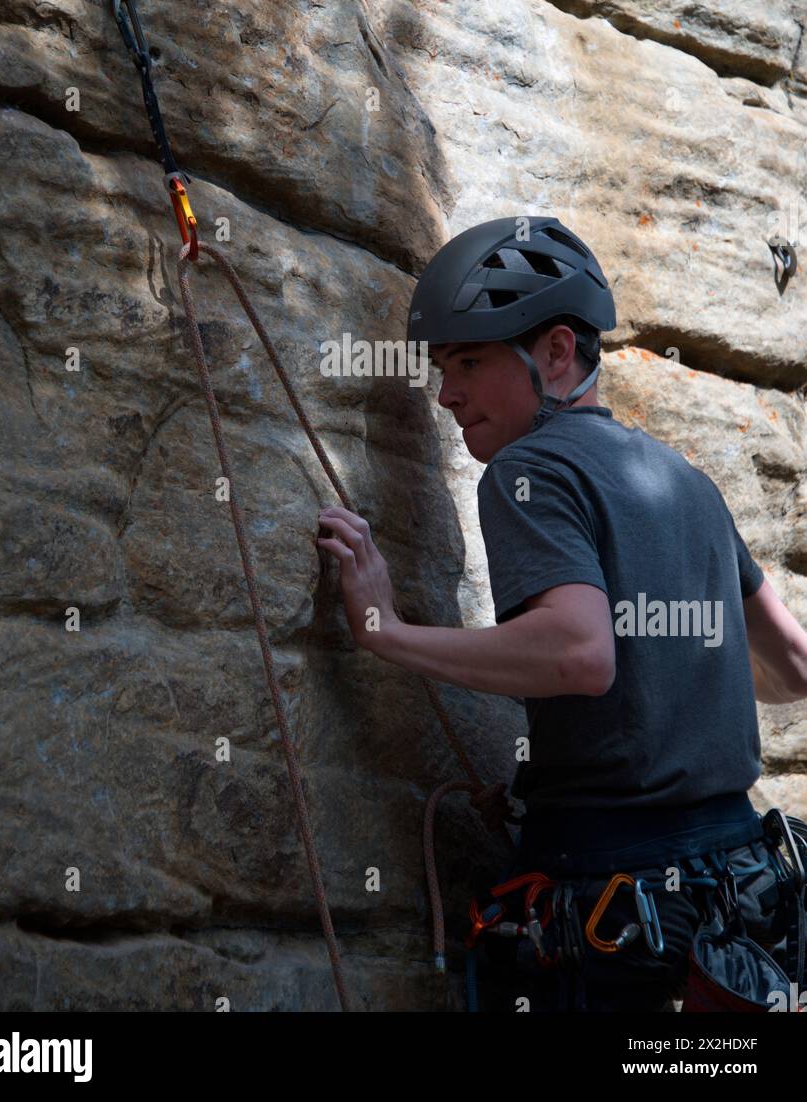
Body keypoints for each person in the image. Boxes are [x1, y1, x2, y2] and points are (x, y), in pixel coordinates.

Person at [316, 215, 807, 1011]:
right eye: (443, 367)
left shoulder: (527, 467)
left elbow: (580, 654)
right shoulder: (689, 482)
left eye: (469, 361)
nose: (446, 393)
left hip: (624, 921)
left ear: (555, 352)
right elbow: (792, 669)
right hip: (738, 908)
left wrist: (386, 630)